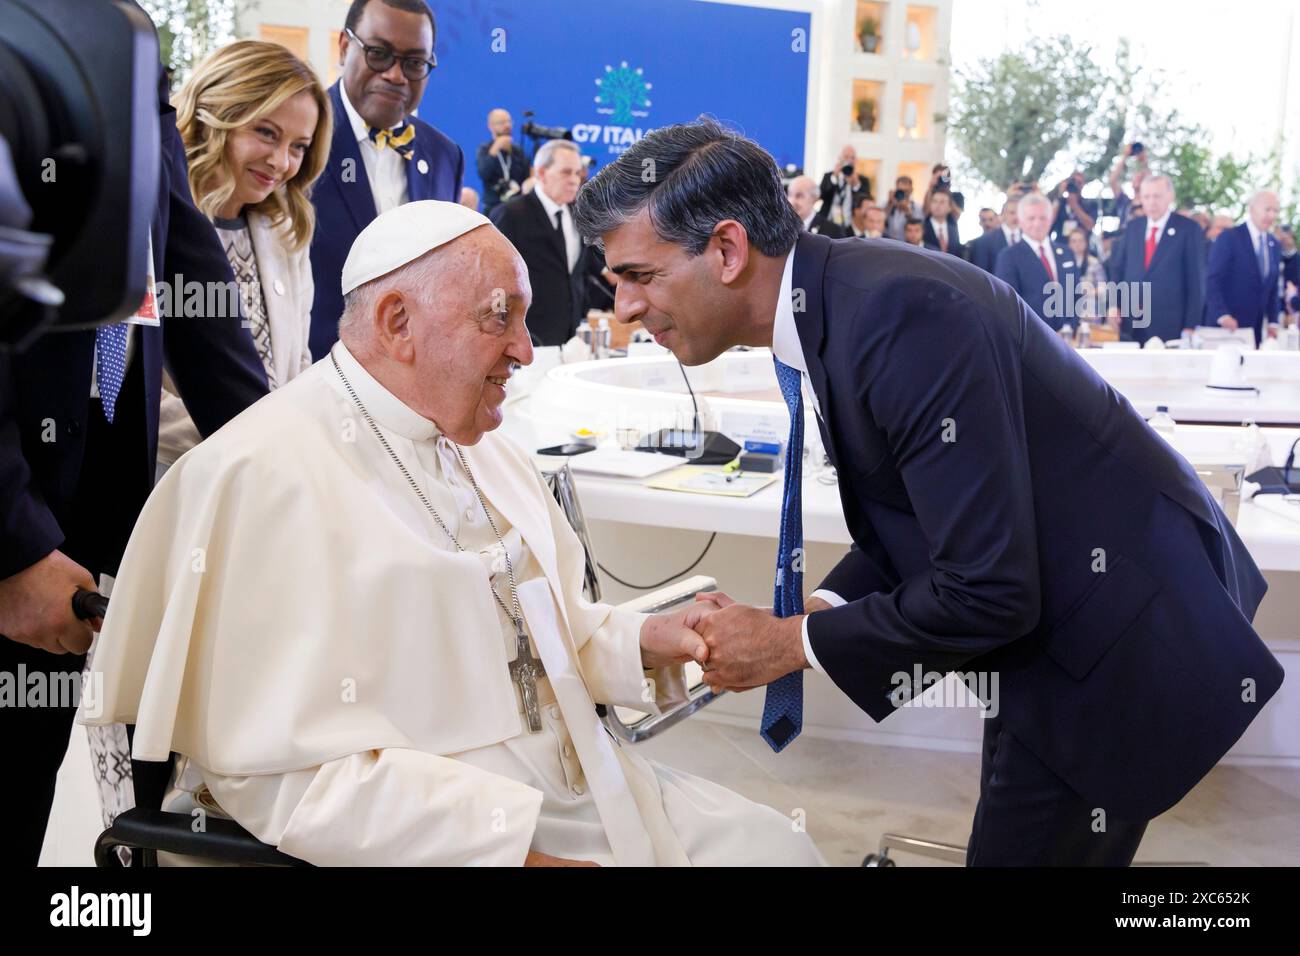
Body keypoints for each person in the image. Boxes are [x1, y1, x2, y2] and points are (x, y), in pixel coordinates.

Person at [572, 118, 1281, 867]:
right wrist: (815, 614)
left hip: (1112, 638)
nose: (623, 307)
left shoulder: (895, 315)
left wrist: (786, 644)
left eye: (640, 276)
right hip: (1061, 626)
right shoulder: (843, 298)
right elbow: (926, 516)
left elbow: (989, 588)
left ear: (726, 249)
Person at [82, 200, 826, 868]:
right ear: (397, 323)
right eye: (499, 318)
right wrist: (518, 859)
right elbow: (282, 781)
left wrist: (644, 641)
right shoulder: (259, 476)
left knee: (779, 848)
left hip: (579, 782)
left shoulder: (486, 446)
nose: (527, 350)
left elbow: (532, 635)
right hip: (446, 831)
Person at [0, 15, 270, 865]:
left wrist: (291, 467)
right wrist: (13, 551)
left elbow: (191, 279)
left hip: (80, 512)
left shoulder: (125, 44)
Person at [158, 40, 331, 468]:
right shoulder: (155, 226)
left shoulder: (286, 232)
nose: (281, 162)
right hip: (176, 476)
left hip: (272, 474)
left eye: (298, 146)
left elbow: (298, 363)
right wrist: (253, 440)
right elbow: (132, 391)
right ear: (215, 117)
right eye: (266, 133)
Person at [307, 0, 465, 361]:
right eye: (379, 54)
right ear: (345, 47)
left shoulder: (444, 155)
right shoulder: (301, 136)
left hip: (413, 384)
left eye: (414, 63)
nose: (396, 75)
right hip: (313, 381)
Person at [494, 139, 606, 346]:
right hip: (526, 336)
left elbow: (578, 267)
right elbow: (495, 276)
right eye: (566, 172)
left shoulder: (578, 215)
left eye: (577, 173)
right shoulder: (511, 214)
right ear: (542, 173)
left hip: (571, 334)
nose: (574, 180)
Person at [1111, 175, 1205, 343]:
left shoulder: (1188, 229)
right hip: (1130, 323)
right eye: (1147, 197)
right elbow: (1118, 270)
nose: (1152, 202)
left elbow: (1196, 281)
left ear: (1170, 197)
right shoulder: (1133, 227)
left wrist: (1191, 325)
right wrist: (1113, 305)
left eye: (1157, 196)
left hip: (1170, 325)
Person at [1205, 190, 1287, 345]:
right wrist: (1222, 315)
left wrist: (1273, 322)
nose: (1271, 216)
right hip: (1226, 329)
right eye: (1267, 209)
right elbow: (1212, 280)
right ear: (1252, 208)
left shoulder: (1274, 244)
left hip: (1254, 332)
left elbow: (1272, 287)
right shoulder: (1229, 237)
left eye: (1275, 211)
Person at [994, 192, 1077, 331]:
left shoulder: (1067, 253)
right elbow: (1008, 305)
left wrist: (1069, 326)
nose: (1037, 223)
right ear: (1020, 221)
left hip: (1067, 339)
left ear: (1051, 219)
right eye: (1031, 218)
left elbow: (1075, 294)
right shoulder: (1008, 257)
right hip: (1032, 340)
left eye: (1042, 218)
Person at [476, 108, 529, 215]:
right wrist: (496, 148)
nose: (507, 125)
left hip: (517, 207)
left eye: (509, 121)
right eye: (502, 122)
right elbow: (484, 174)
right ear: (490, 126)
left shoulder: (518, 151)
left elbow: (527, 177)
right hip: (493, 207)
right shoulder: (485, 149)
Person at [818, 145, 871, 230]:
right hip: (828, 222)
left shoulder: (863, 180)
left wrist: (856, 185)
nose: (849, 160)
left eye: (852, 158)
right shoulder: (829, 176)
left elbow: (866, 202)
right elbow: (821, 195)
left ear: (856, 160)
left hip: (851, 227)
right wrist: (834, 177)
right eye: (846, 157)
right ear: (840, 159)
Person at [967, 198, 1019, 273]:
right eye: (1012, 213)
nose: (1016, 217)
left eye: (1019, 213)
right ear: (1002, 215)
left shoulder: (1028, 237)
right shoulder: (983, 241)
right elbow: (981, 275)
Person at [1066, 226, 1107, 321]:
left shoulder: (1094, 263)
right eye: (1074, 241)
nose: (1077, 244)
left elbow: (1103, 288)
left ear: (1086, 243)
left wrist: (1087, 292)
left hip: (1090, 307)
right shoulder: (1063, 262)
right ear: (1069, 244)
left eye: (1080, 241)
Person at [1108, 144, 1148, 228]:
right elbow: (1112, 181)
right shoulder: (1125, 202)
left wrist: (1144, 162)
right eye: (1136, 176)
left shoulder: (1149, 203)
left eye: (1141, 177)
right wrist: (1124, 156)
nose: (1138, 177)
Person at [1048, 170, 1097, 238]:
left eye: (1079, 183)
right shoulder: (1059, 203)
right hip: (1061, 244)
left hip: (1082, 244)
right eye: (1073, 182)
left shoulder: (1090, 204)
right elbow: (1049, 221)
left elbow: (1090, 225)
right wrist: (1060, 195)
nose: (1076, 185)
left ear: (1083, 184)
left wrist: (1074, 206)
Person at [921, 190, 962, 257]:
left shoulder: (953, 229)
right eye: (934, 201)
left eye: (942, 202)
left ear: (950, 207)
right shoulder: (922, 227)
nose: (937, 205)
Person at [884, 175, 922, 239]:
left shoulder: (917, 207)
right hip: (889, 243)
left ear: (911, 190)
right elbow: (880, 220)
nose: (903, 194)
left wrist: (908, 211)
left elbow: (918, 227)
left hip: (906, 245)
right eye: (900, 191)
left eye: (906, 191)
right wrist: (890, 204)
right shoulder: (888, 204)